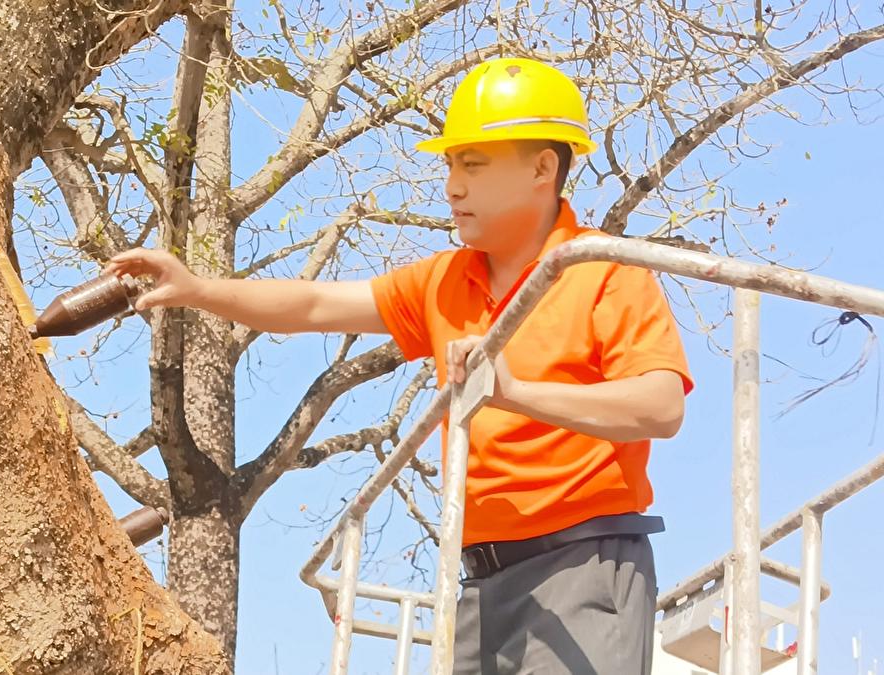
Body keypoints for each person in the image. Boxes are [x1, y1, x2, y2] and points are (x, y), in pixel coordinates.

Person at [106, 57, 693, 675]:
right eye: (449, 165)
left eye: (473, 163)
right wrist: (198, 288)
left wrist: (513, 392)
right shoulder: (443, 281)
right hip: (478, 584)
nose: (452, 186)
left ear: (544, 168)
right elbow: (313, 304)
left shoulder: (605, 270)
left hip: (583, 564)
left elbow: (659, 406)